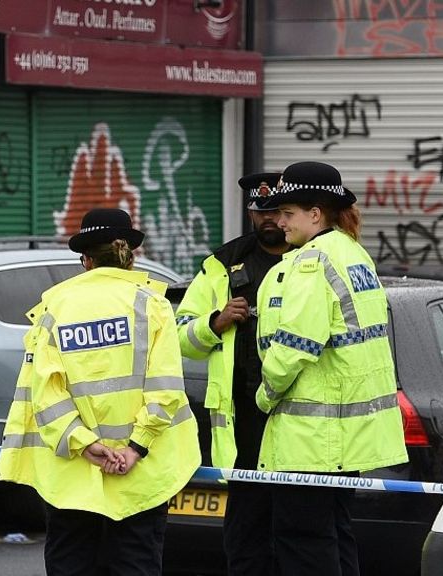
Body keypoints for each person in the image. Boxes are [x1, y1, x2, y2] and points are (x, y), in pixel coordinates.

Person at [0, 208, 200, 576]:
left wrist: (84, 443)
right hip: (141, 473)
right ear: (130, 255)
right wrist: (135, 448)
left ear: (85, 260)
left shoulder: (55, 307)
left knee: (71, 563)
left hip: (72, 475)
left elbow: (46, 394)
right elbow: (165, 389)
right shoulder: (150, 304)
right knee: (135, 564)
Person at [254, 161, 408, 576]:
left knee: (302, 542)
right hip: (346, 437)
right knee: (335, 535)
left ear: (315, 213)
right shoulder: (353, 254)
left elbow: (294, 347)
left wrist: (264, 396)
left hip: (312, 439)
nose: (280, 223)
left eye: (288, 214)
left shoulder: (311, 263)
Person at [174, 171, 293, 575]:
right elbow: (179, 335)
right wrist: (215, 321)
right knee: (246, 533)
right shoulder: (222, 264)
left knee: (298, 532)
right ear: (251, 213)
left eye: (278, 211)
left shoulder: (310, 260)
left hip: (297, 415)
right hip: (244, 417)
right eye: (262, 212)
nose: (271, 220)